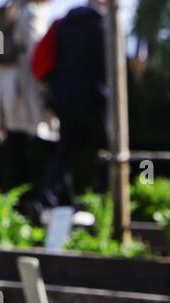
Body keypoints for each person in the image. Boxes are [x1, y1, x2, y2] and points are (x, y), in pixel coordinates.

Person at [39, 0, 108, 209]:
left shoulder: (64, 25)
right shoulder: (101, 26)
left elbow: (53, 62)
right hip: (91, 98)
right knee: (104, 149)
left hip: (65, 98)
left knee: (65, 151)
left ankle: (51, 198)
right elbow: (103, 65)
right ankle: (104, 198)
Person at [0, 0, 56, 208]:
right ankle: (30, 204)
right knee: (30, 151)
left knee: (14, 151)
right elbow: (36, 57)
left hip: (7, 95)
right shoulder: (30, 14)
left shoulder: (8, 12)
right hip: (23, 94)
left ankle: (14, 203)